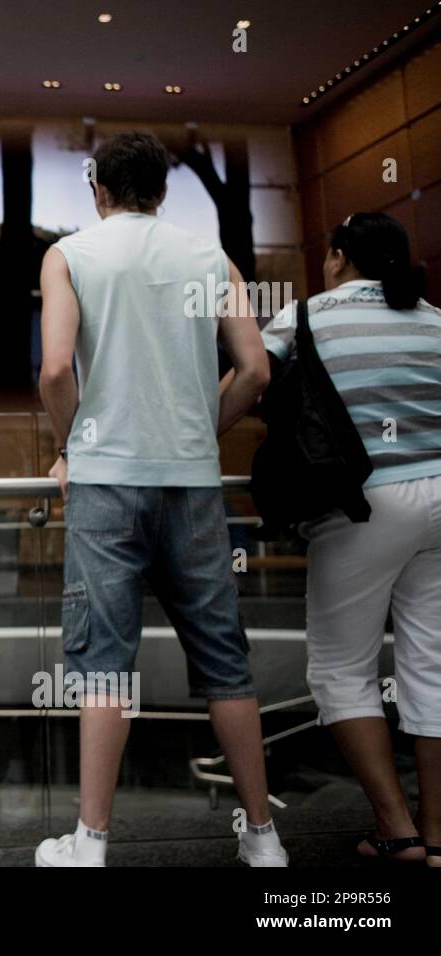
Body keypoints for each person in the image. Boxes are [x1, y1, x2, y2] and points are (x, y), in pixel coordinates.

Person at [35, 131, 286, 866]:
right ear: (163, 192)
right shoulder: (211, 259)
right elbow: (255, 370)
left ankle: (91, 842)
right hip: (193, 485)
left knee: (104, 664)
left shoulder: (70, 255)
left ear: (98, 191)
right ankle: (264, 839)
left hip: (106, 483)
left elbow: (55, 369)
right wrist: (196, 431)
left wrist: (73, 444)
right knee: (224, 662)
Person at [260, 212, 441, 866]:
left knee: (341, 670)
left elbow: (254, 377)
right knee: (431, 667)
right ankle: (437, 831)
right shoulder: (435, 320)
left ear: (338, 257)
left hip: (363, 507)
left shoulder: (306, 317)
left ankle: (397, 830)